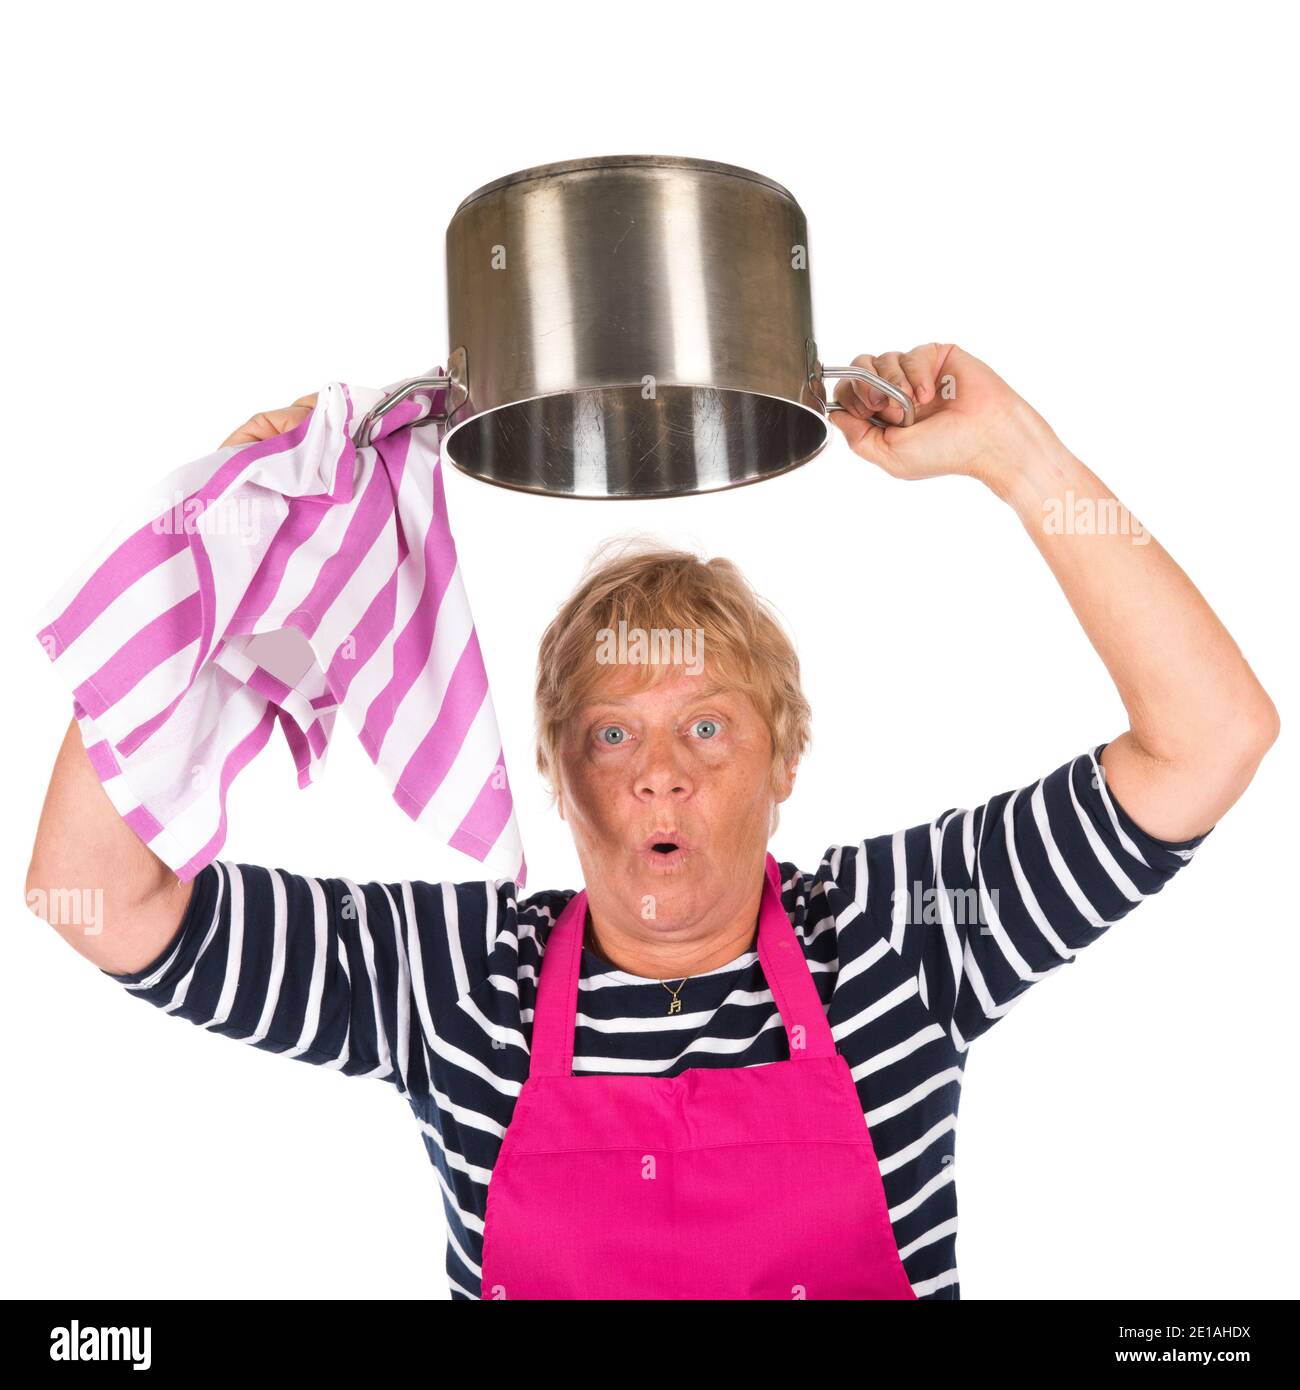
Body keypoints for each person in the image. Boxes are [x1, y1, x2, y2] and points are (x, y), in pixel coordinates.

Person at [25, 343, 1278, 1300]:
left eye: (710, 728)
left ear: (785, 760)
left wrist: (1018, 456)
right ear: (558, 776)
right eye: (613, 734)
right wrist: (222, 545)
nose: (660, 775)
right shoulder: (455, 982)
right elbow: (93, 893)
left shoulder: (903, 936)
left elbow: (1211, 735)